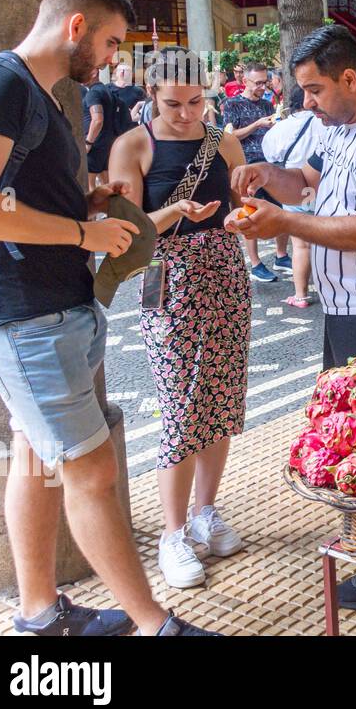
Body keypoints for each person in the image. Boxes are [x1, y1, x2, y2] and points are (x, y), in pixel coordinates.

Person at [0, 0, 214, 635]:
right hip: (23, 315)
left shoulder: (35, 90)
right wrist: (82, 233)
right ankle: (157, 625)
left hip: (41, 308)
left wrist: (86, 205)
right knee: (93, 473)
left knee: (39, 457)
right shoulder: (1, 82)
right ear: (76, 27)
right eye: (108, 42)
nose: (110, 59)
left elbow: (12, 195)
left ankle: (41, 615)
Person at [226, 24, 356, 610]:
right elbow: (306, 183)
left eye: (314, 90)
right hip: (347, 304)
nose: (307, 103)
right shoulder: (337, 127)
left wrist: (282, 224)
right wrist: (269, 179)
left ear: (350, 78)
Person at [108, 49, 250, 590]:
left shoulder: (223, 139)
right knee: (181, 404)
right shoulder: (134, 145)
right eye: (174, 103)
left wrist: (246, 212)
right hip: (169, 281)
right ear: (150, 96)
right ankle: (172, 533)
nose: (187, 113)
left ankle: (205, 513)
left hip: (226, 274)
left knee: (220, 398)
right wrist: (175, 213)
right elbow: (126, 233)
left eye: (197, 101)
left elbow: (240, 203)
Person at [222, 61, 289, 282]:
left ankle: (281, 255)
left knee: (280, 208)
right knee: (249, 212)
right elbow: (230, 136)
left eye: (265, 82)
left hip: (270, 162)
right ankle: (256, 263)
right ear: (245, 82)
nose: (263, 87)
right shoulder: (232, 104)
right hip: (247, 164)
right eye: (258, 82)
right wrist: (257, 125)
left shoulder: (268, 104)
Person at [261, 87, 322, 308]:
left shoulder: (281, 128)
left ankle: (301, 295)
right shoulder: (327, 123)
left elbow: (270, 154)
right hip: (323, 187)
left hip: (294, 190)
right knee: (333, 241)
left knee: (301, 246)